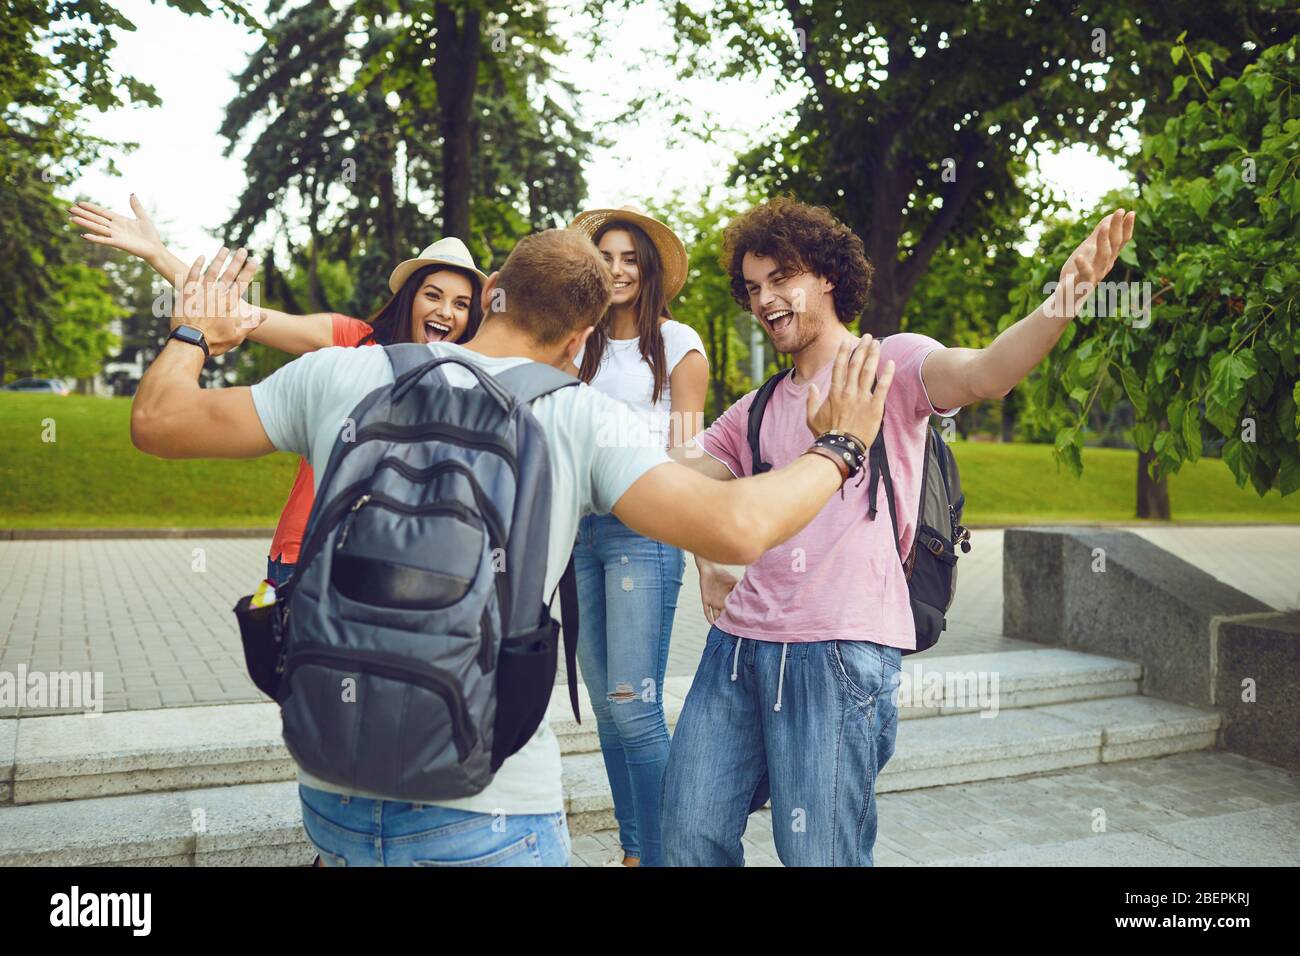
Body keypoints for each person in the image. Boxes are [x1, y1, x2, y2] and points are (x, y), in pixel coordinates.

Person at [128, 227, 896, 866]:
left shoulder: (342, 374)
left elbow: (158, 423)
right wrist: (840, 445)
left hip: (334, 785)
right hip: (489, 810)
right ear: (579, 339)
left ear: (490, 292)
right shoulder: (579, 417)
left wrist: (197, 331)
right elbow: (737, 526)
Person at [661, 197, 1136, 867]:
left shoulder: (892, 365)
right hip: (736, 649)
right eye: (753, 285)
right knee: (686, 838)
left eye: (780, 277)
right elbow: (674, 476)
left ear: (827, 276)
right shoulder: (757, 406)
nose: (764, 297)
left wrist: (1066, 296)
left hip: (838, 651)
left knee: (820, 854)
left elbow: (988, 373)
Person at [70, 196, 486, 586]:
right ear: (410, 299)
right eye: (433, 295)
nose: (445, 311)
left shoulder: (472, 379)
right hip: (304, 552)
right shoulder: (353, 341)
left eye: (461, 304)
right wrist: (157, 253)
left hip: (404, 564)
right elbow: (243, 314)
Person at [565, 206, 707, 867]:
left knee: (635, 704)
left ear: (647, 270)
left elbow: (691, 455)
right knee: (608, 706)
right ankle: (635, 851)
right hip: (579, 534)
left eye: (629, 258)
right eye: (606, 257)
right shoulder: (575, 342)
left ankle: (673, 853)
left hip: (642, 534)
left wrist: (709, 556)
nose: (617, 269)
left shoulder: (679, 345)